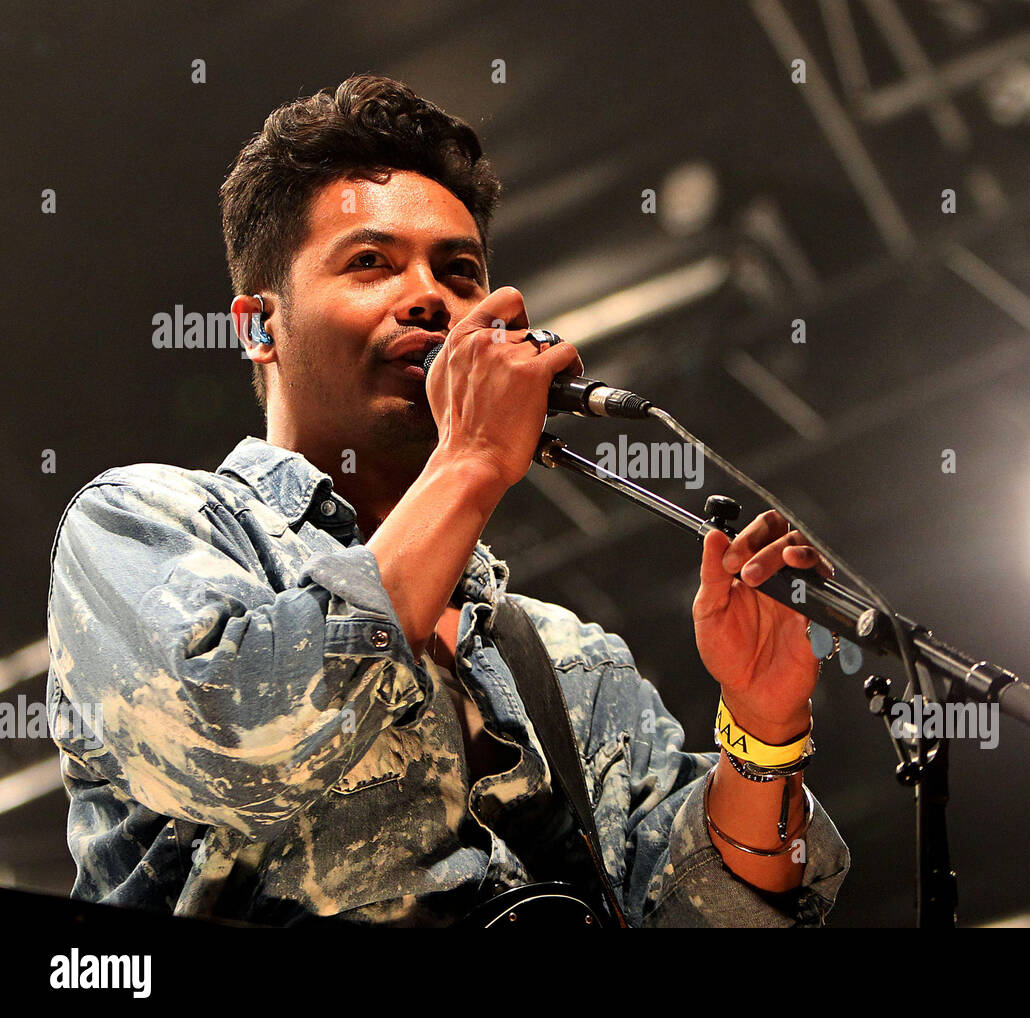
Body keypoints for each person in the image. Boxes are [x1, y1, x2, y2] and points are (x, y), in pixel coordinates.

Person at [45, 74, 850, 927]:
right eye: (370, 263)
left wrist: (764, 731)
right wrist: (468, 461)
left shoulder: (566, 656)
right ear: (257, 326)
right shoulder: (145, 526)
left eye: (459, 272)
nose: (432, 296)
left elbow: (714, 913)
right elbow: (247, 747)